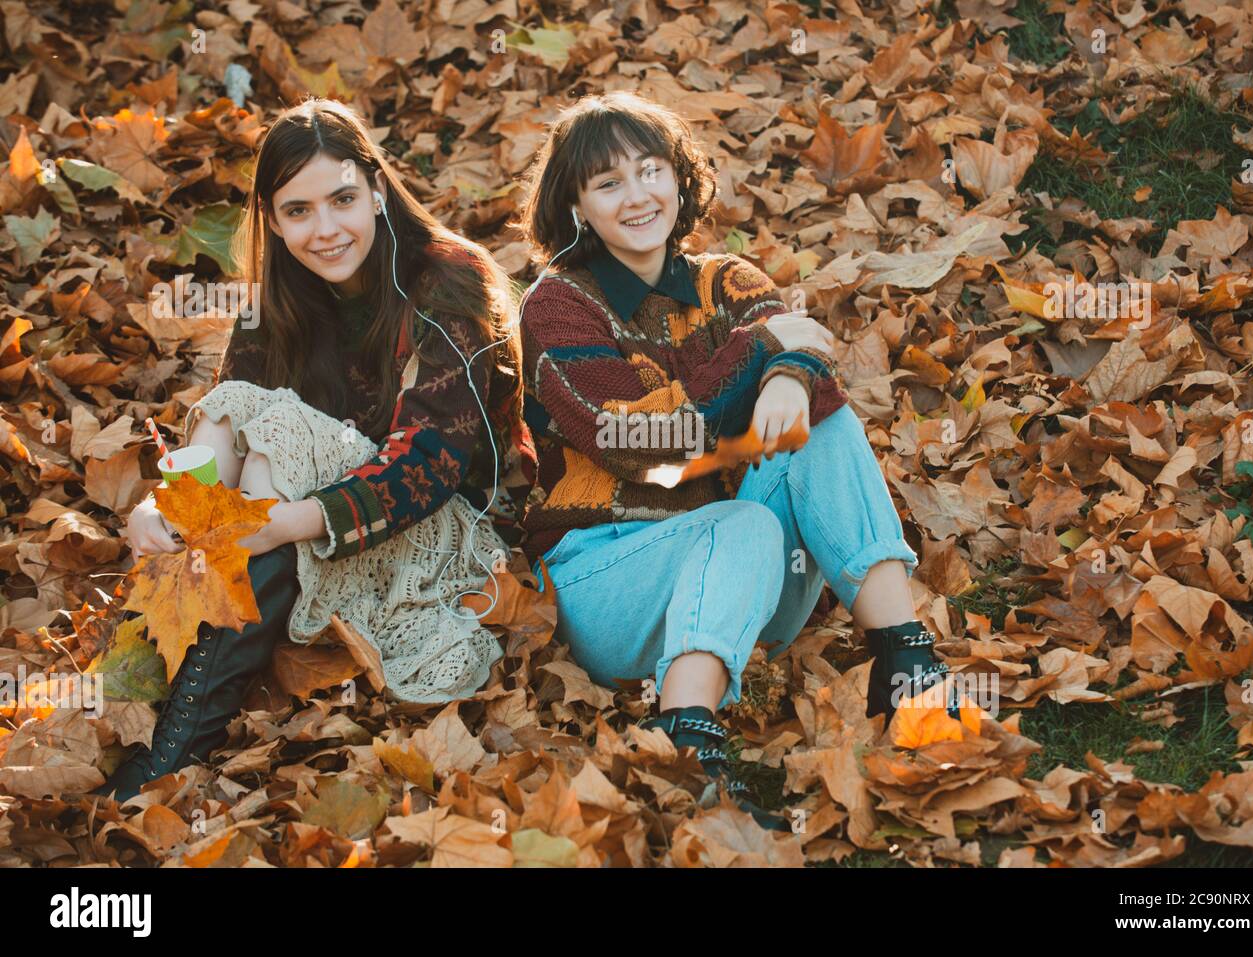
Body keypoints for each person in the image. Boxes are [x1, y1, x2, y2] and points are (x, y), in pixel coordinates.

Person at [512, 92, 958, 829]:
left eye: (651, 169)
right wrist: (762, 353)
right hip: (610, 583)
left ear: (680, 179)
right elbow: (633, 443)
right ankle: (686, 744)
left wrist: (786, 375)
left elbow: (803, 344)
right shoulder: (558, 306)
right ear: (574, 207)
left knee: (823, 423)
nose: (638, 195)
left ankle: (905, 658)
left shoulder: (729, 280)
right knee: (741, 522)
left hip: (744, 598)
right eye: (608, 183)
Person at [98, 98, 536, 801]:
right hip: (305, 507)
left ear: (378, 189)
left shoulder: (448, 281)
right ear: (271, 218)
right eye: (298, 211)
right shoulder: (276, 296)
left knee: (266, 445)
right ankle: (134, 698)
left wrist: (274, 521)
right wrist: (164, 503)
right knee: (247, 421)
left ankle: (176, 745)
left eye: (342, 200)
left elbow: (429, 466)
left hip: (441, 528)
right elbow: (231, 412)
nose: (325, 230)